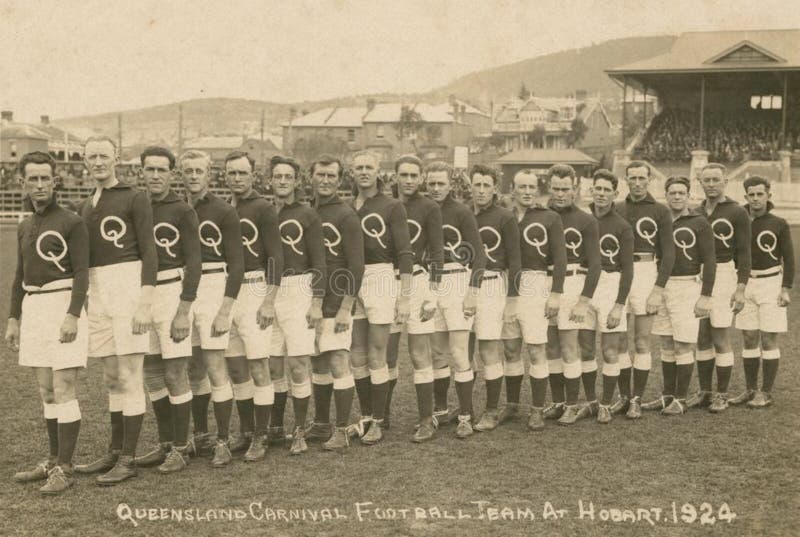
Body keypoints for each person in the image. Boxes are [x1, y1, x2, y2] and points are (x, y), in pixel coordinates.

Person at [73, 137, 158, 486]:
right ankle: (114, 450)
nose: (98, 162)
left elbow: (150, 253)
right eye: (91, 156)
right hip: (98, 291)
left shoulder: (134, 197)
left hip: (127, 287)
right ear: (84, 161)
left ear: (117, 159)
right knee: (111, 377)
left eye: (103, 156)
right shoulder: (84, 204)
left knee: (130, 374)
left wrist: (145, 302)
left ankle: (129, 459)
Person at [6, 152, 89, 495]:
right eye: (32, 179)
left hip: (63, 303)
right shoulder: (25, 225)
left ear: (55, 181)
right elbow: (18, 276)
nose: (39, 185)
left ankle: (65, 468)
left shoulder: (72, 221)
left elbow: (83, 273)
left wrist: (72, 313)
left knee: (64, 386)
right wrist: (13, 318)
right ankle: (54, 459)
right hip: (34, 306)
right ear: (22, 182)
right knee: (46, 390)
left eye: (45, 178)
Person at [135, 147, 201, 474]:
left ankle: (180, 446)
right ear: (141, 172)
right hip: (141, 294)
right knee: (150, 372)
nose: (156, 175)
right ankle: (165, 442)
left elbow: (195, 263)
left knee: (175, 371)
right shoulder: (137, 205)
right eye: (150, 169)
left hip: (171, 292)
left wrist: (183, 310)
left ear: (172, 173)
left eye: (162, 170)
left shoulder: (182, 210)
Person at [180, 149, 244, 467]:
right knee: (192, 367)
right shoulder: (174, 208)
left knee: (216, 366)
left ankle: (222, 440)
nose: (193, 176)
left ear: (209, 174)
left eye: (199, 170)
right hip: (180, 290)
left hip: (212, 286)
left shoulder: (223, 211)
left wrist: (224, 309)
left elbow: (237, 264)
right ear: (181, 173)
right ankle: (201, 435)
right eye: (187, 170)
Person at [349, 150, 413, 445]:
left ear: (378, 172)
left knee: (377, 352)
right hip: (350, 279)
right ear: (352, 172)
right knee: (357, 354)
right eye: (359, 167)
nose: (364, 172)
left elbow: (404, 252)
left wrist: (404, 296)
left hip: (381, 277)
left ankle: (378, 419)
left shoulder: (392, 206)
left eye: (369, 167)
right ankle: (366, 415)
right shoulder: (347, 205)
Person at [223, 151, 283, 461]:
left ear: (253, 175)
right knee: (235, 366)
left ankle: (262, 434)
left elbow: (275, 257)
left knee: (259, 364)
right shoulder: (223, 207)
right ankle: (246, 430)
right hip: (226, 292)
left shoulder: (263, 208)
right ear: (225, 176)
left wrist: (269, 300)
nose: (236, 179)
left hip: (255, 288)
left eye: (242, 173)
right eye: (231, 173)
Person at [268, 155, 326, 455]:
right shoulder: (262, 212)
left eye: (287, 176)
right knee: (272, 362)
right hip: (264, 291)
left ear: (296, 181)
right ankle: (275, 427)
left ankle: (300, 429)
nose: (281, 181)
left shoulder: (307, 214)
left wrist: (316, 302)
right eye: (277, 176)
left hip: (298, 287)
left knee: (298, 363)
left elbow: (319, 261)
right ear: (269, 180)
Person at [384, 155, 444, 442]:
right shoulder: (384, 205)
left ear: (420, 178)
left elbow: (437, 251)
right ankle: (381, 417)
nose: (408, 180)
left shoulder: (429, 207)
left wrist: (432, 295)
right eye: (403, 174)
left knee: (420, 353)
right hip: (387, 283)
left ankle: (425, 419)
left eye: (413, 175)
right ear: (395, 175)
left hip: (418, 282)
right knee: (387, 353)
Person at [500, 169, 566, 431]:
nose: (527, 191)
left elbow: (560, 259)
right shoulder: (503, 216)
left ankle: (537, 408)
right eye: (521, 186)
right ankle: (513, 405)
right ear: (512, 189)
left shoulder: (550, 217)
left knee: (537, 348)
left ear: (538, 190)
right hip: (505, 283)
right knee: (510, 348)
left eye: (531, 187)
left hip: (535, 284)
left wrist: (555, 294)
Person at [307, 154, 365, 450]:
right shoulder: (307, 211)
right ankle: (320, 423)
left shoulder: (346, 215)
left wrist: (346, 307)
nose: (325, 180)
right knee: (317, 361)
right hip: (310, 297)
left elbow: (357, 266)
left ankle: (341, 429)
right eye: (321, 174)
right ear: (311, 177)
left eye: (331, 176)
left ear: (340, 180)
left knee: (339, 360)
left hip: (337, 298)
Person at [426, 161, 485, 439]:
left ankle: (465, 414)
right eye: (432, 183)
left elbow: (479, 256)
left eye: (441, 183)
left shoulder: (461, 212)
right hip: (429, 281)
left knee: (460, 353)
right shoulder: (423, 210)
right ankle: (439, 410)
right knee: (437, 352)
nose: (436, 188)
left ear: (451, 184)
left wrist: (472, 291)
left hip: (457, 279)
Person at [612, 161, 675, 418]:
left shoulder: (660, 211)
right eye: (632, 178)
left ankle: (637, 398)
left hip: (646, 272)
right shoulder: (617, 208)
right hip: (617, 273)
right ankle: (623, 396)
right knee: (617, 339)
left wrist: (658, 289)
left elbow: (669, 253)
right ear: (626, 180)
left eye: (641, 178)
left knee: (641, 339)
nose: (637, 183)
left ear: (649, 180)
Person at [687, 163, 750, 413]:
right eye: (707, 180)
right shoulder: (697, 210)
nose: (711, 184)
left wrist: (741, 287)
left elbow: (744, 253)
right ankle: (704, 391)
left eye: (716, 180)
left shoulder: (736, 212)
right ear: (700, 183)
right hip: (698, 274)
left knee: (719, 335)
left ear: (725, 181)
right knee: (701, 336)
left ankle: (722, 394)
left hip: (724, 274)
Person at [651, 176, 715, 415]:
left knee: (683, 344)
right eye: (672, 193)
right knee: (666, 342)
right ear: (666, 195)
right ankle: (667, 395)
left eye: (681, 193)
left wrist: (705, 295)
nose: (677, 197)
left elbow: (710, 260)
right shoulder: (661, 219)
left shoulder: (700, 222)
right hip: (660, 285)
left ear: (689, 196)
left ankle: (681, 398)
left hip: (687, 286)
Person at [544, 164, 601, 425]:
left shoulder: (585, 219)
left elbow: (595, 265)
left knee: (570, 346)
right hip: (543, 283)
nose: (560, 194)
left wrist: (583, 300)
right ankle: (557, 402)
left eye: (565, 189)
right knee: (551, 346)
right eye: (555, 188)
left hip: (572, 283)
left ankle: (572, 403)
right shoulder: (540, 215)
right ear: (548, 187)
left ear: (575, 189)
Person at [576, 169, 633, 424]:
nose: (600, 194)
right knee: (586, 348)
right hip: (583, 282)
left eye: (606, 190)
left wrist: (619, 305)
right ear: (591, 191)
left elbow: (628, 269)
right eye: (597, 189)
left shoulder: (621, 226)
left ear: (615, 194)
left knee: (610, 350)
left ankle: (607, 404)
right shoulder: (582, 219)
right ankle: (591, 401)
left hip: (610, 284)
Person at [730, 176, 793, 408]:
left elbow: (789, 259)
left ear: (768, 196)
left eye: (760, 194)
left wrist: (785, 288)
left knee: (768, 338)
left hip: (771, 283)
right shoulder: (739, 220)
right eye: (751, 195)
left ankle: (765, 392)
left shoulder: (778, 223)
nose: (755, 199)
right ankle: (749, 389)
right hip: (745, 284)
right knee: (748, 337)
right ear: (745, 196)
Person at [469, 164, 521, 432]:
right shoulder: (462, 214)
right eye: (476, 184)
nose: (480, 190)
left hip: (491, 284)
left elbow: (515, 261)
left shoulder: (504, 217)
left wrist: (512, 299)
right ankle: (465, 408)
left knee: (488, 348)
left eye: (486, 185)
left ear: (495, 189)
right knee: (462, 349)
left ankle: (491, 410)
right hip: (462, 286)